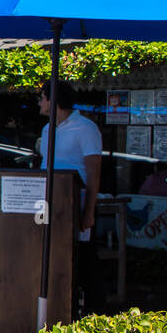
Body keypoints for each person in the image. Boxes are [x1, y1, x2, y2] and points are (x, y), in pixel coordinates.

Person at [38, 82, 103, 238]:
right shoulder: (47, 129)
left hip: (73, 200)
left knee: (72, 250)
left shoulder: (86, 128)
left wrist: (88, 212)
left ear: (53, 100)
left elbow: (93, 172)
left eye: (42, 98)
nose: (39, 103)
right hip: (46, 200)